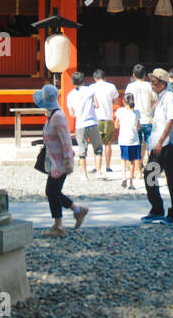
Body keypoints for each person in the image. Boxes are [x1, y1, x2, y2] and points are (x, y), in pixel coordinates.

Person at [37, 84, 87, 236]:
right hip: (54, 161)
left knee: (51, 191)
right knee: (54, 191)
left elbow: (66, 140)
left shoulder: (57, 116)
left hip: (60, 162)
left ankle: (59, 225)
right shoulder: (52, 115)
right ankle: (77, 210)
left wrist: (68, 162)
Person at [142, 68, 173, 224]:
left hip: (168, 145)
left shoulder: (169, 97)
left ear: (163, 83)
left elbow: (171, 120)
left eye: (155, 81)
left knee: (171, 180)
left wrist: (160, 141)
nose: (152, 84)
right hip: (158, 144)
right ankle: (157, 208)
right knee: (149, 175)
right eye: (151, 81)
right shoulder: (160, 98)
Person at [67, 70, 102, 180]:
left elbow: (71, 114)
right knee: (98, 149)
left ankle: (84, 174)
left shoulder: (70, 95)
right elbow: (97, 105)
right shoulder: (90, 91)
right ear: (83, 80)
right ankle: (99, 171)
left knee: (82, 150)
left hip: (80, 124)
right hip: (92, 122)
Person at [91, 67, 120, 177]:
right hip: (108, 117)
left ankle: (96, 165)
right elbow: (116, 100)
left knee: (96, 144)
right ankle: (108, 166)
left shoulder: (92, 87)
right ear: (105, 77)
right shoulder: (111, 86)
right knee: (108, 144)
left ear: (95, 78)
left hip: (95, 118)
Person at [126, 64, 156, 152]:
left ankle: (138, 165)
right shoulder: (149, 86)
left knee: (137, 145)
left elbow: (127, 102)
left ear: (133, 75)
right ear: (145, 74)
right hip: (148, 119)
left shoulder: (130, 87)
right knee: (150, 145)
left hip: (135, 120)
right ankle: (151, 164)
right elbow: (154, 100)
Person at [117, 92, 142, 189]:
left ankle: (124, 176)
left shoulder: (120, 111)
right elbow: (139, 126)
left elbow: (116, 125)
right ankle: (131, 182)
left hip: (123, 139)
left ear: (123, 101)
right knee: (132, 161)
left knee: (123, 159)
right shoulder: (137, 113)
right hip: (134, 140)